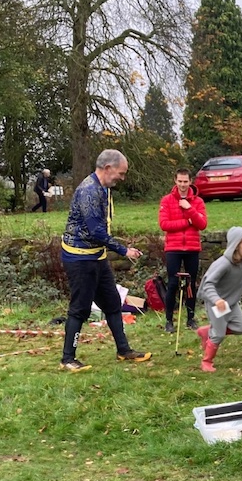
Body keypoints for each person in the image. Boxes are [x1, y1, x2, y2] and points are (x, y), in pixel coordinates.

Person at [59, 149, 150, 372]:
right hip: (79, 258)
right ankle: (67, 359)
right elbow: (96, 231)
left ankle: (124, 350)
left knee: (112, 304)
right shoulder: (89, 191)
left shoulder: (104, 188)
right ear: (108, 169)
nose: (122, 177)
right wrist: (123, 250)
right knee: (80, 309)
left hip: (97, 257)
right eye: (121, 172)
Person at [195, 227, 242, 372]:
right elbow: (208, 284)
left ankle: (207, 332)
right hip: (217, 304)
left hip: (231, 302)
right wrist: (217, 300)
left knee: (241, 328)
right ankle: (207, 361)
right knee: (218, 334)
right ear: (236, 246)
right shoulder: (223, 264)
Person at [158, 168, 208, 332]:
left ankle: (191, 319)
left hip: (192, 248)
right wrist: (187, 221)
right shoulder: (166, 200)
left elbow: (202, 224)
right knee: (172, 283)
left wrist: (189, 209)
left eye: (185, 181)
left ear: (190, 181)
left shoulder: (198, 202)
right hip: (173, 248)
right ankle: (169, 321)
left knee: (190, 284)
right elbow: (165, 225)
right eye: (180, 181)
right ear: (175, 180)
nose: (182, 185)